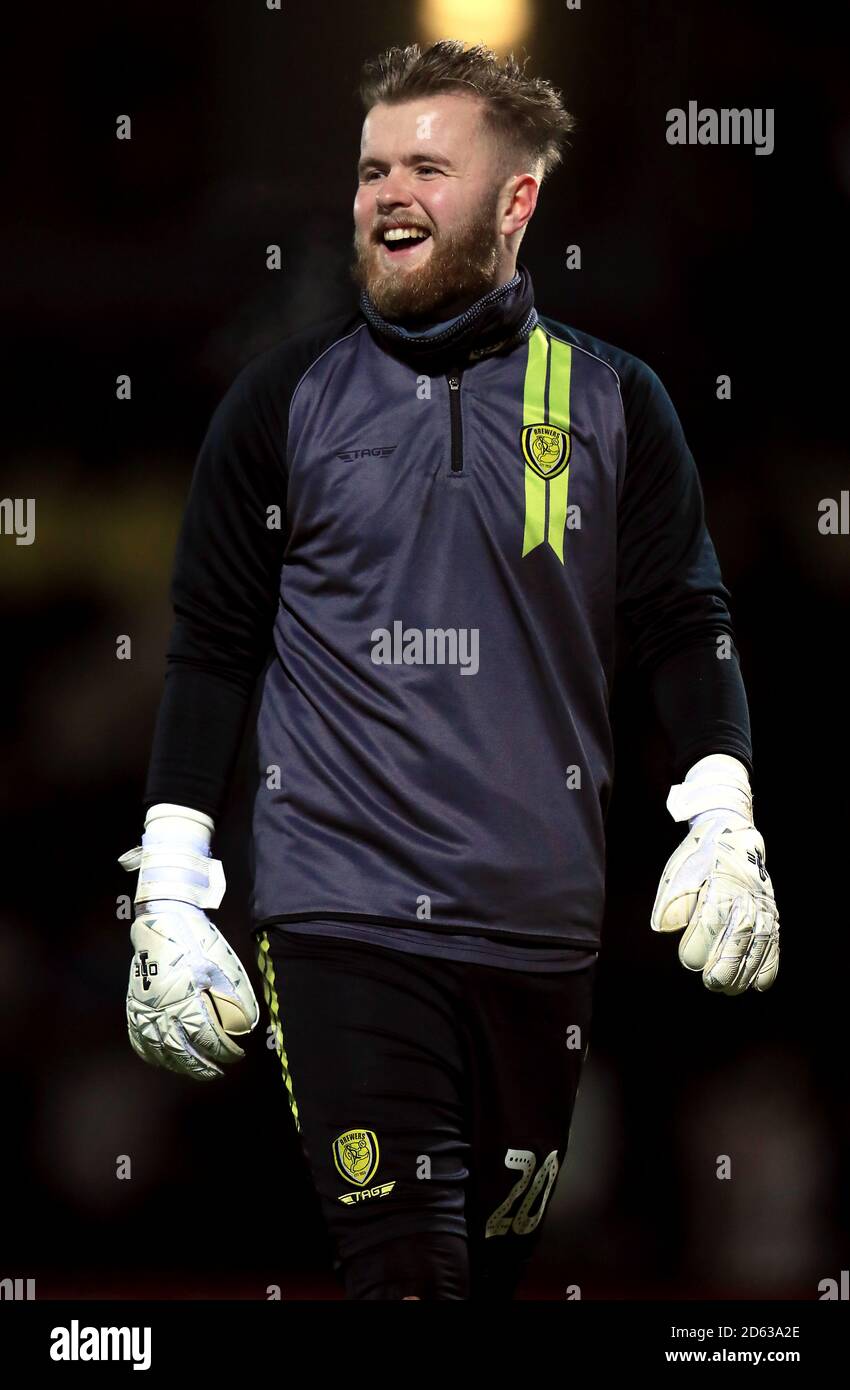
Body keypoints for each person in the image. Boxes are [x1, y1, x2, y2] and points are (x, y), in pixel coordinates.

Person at [118, 40, 780, 1301]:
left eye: (428, 164)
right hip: (342, 919)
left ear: (517, 200)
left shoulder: (617, 403)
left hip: (543, 934)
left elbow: (686, 623)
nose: (387, 193)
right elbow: (210, 651)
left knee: (482, 1279)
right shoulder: (280, 404)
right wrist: (168, 884)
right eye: (373, 169)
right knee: (407, 1275)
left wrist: (723, 810)